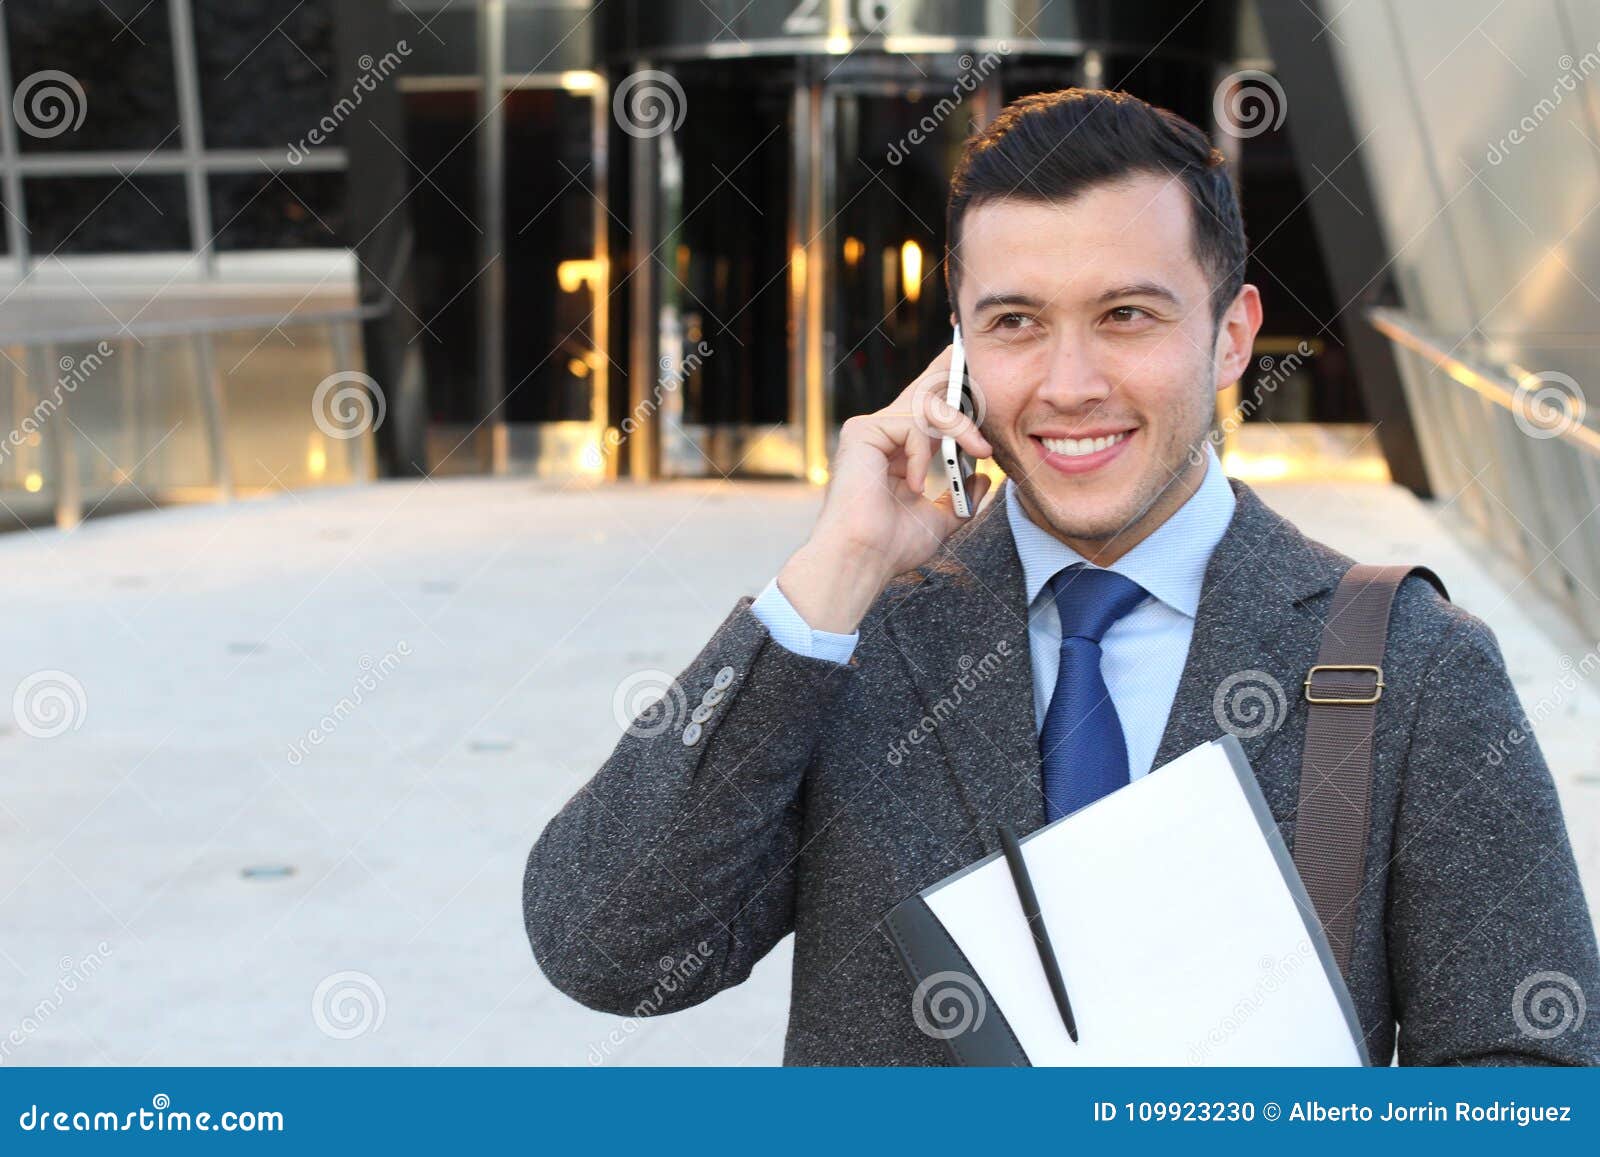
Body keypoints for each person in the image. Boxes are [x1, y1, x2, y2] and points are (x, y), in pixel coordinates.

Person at [523, 88, 1600, 1065]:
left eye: (1126, 315)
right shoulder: (859, 642)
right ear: (955, 352)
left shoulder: (1414, 663)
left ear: (1231, 337)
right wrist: (835, 570)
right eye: (1016, 323)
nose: (1069, 384)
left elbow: (1532, 1080)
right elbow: (604, 944)